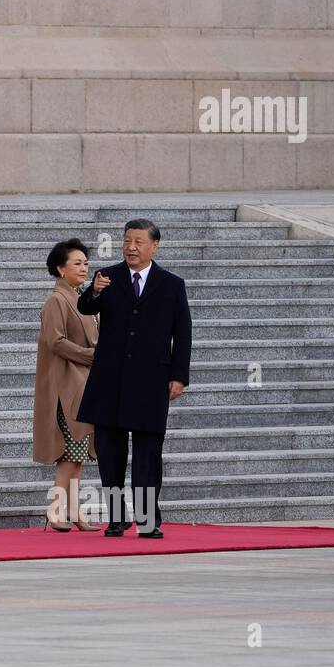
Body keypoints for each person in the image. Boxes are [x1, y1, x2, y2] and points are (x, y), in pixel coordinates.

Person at [76, 219, 192, 538]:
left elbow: (182, 334)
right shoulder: (108, 277)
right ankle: (116, 518)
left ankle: (147, 520)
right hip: (109, 381)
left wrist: (179, 376)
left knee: (147, 458)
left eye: (139, 242)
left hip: (150, 383)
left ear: (154, 246)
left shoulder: (171, 285)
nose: (131, 247)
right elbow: (84, 307)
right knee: (110, 456)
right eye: (127, 241)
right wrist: (93, 292)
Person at [33, 238, 101, 532]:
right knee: (69, 452)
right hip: (65, 385)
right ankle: (55, 510)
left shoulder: (81, 298)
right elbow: (56, 342)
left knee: (79, 453)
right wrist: (93, 355)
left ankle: (74, 511)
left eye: (85, 262)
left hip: (83, 383)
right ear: (61, 269)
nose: (84, 267)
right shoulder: (56, 301)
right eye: (77, 263)